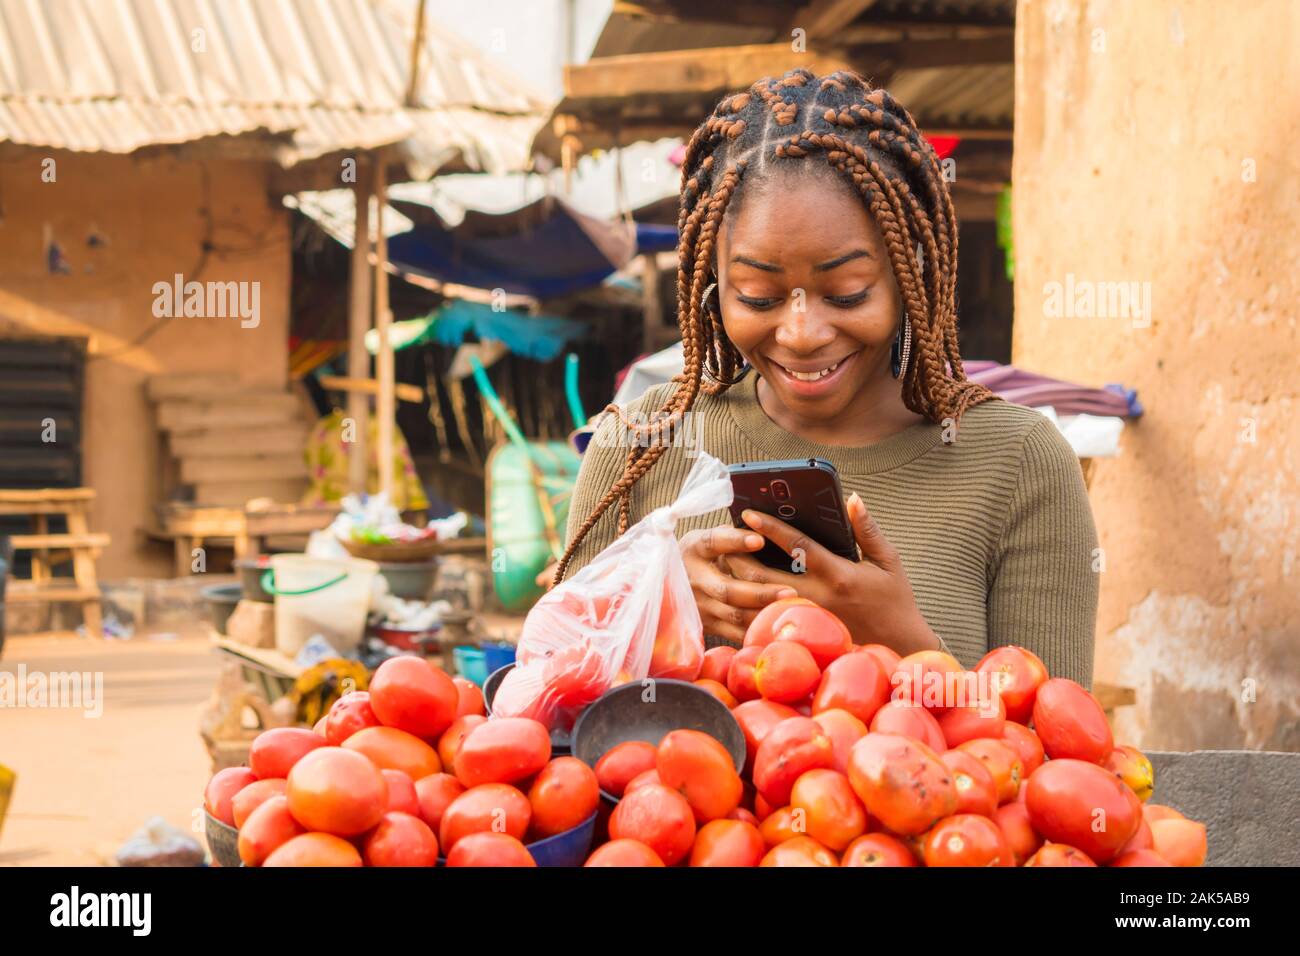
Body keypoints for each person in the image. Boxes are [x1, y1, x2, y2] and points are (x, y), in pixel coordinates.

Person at [555, 70, 1098, 687]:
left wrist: (904, 644)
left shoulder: (1019, 465)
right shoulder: (640, 446)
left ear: (907, 276)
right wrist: (655, 602)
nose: (802, 332)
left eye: (847, 292)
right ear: (714, 289)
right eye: (758, 296)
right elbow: (550, 699)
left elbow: (1058, 758)